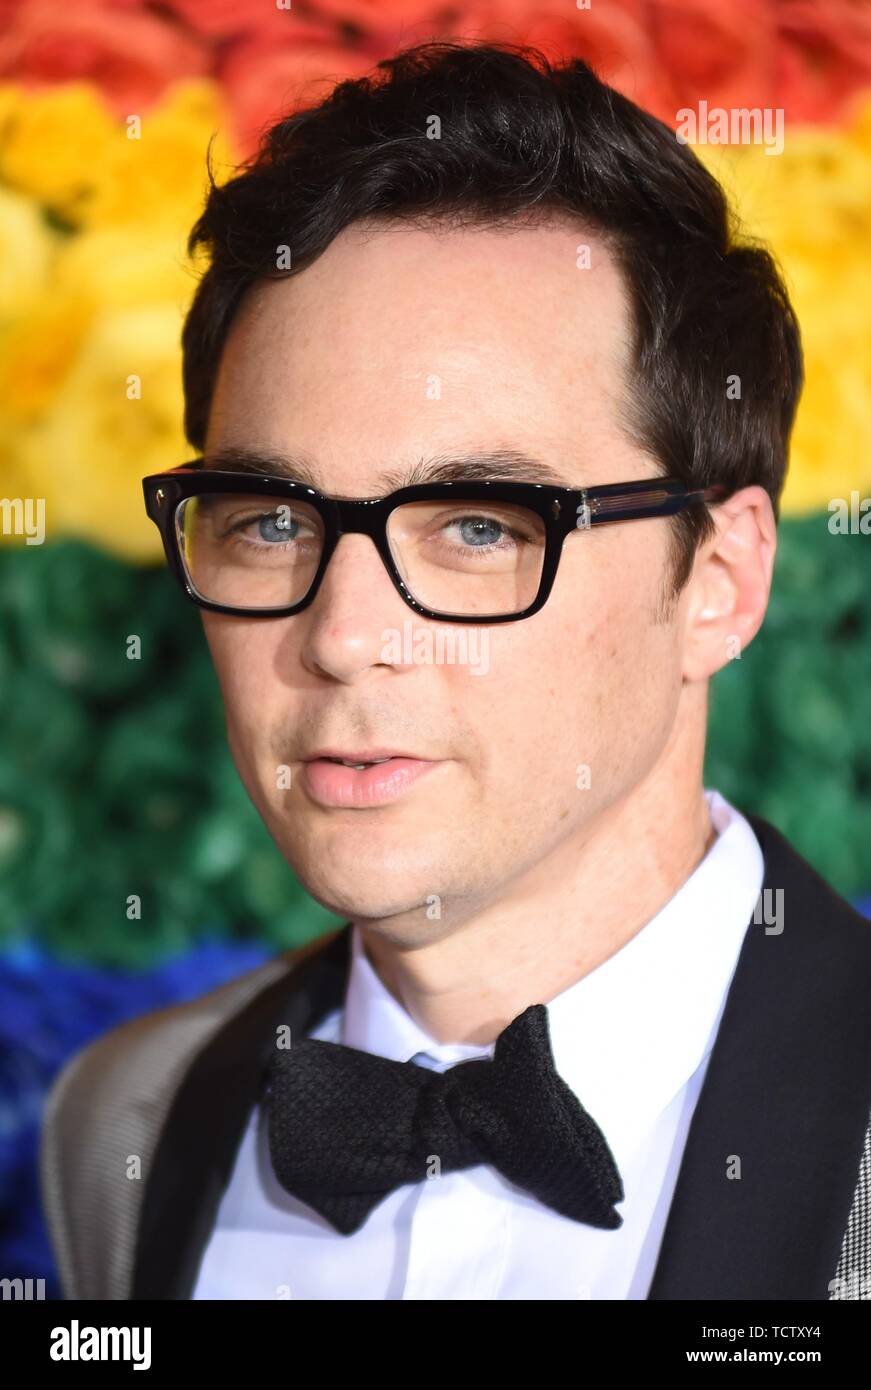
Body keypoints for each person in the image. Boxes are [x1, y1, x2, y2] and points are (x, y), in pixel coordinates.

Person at [40, 39, 871, 1301]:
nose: (342, 633)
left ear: (720, 581)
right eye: (270, 519)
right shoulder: (123, 1125)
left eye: (480, 524)